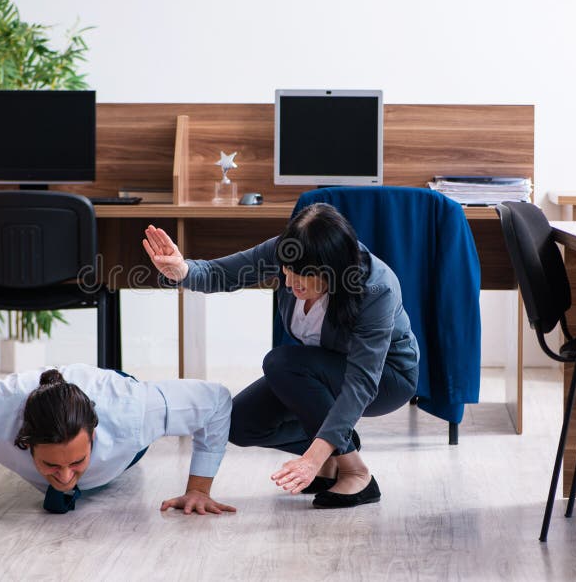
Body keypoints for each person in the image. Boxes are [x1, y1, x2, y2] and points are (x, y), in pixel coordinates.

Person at [143, 202, 419, 509]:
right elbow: (221, 273)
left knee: (282, 363)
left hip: (385, 379)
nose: (288, 283)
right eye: (287, 273)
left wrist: (310, 459)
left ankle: (356, 472)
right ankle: (333, 457)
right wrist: (182, 271)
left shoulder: (376, 288)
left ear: (333, 269)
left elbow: (361, 382)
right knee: (239, 424)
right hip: (320, 370)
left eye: (301, 277)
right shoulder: (287, 251)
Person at [0, 364, 236, 517]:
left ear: (94, 435)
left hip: (118, 410)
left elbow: (217, 401)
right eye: (50, 463)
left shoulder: (136, 413)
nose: (64, 477)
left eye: (76, 461)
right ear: (25, 441)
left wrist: (198, 489)